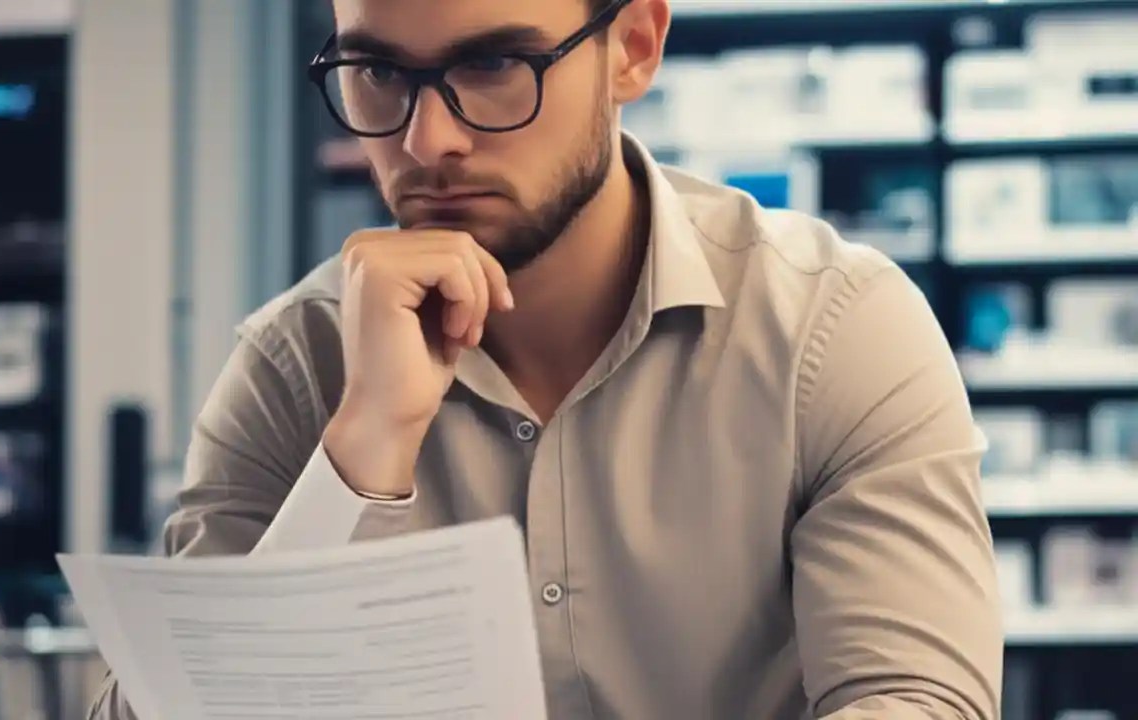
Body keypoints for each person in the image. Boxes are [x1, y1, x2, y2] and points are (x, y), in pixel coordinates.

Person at [91, 0, 1004, 717]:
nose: (426, 140)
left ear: (633, 47)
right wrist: (360, 451)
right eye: (375, 71)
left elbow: (919, 701)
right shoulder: (295, 367)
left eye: (492, 65)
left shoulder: (830, 326)